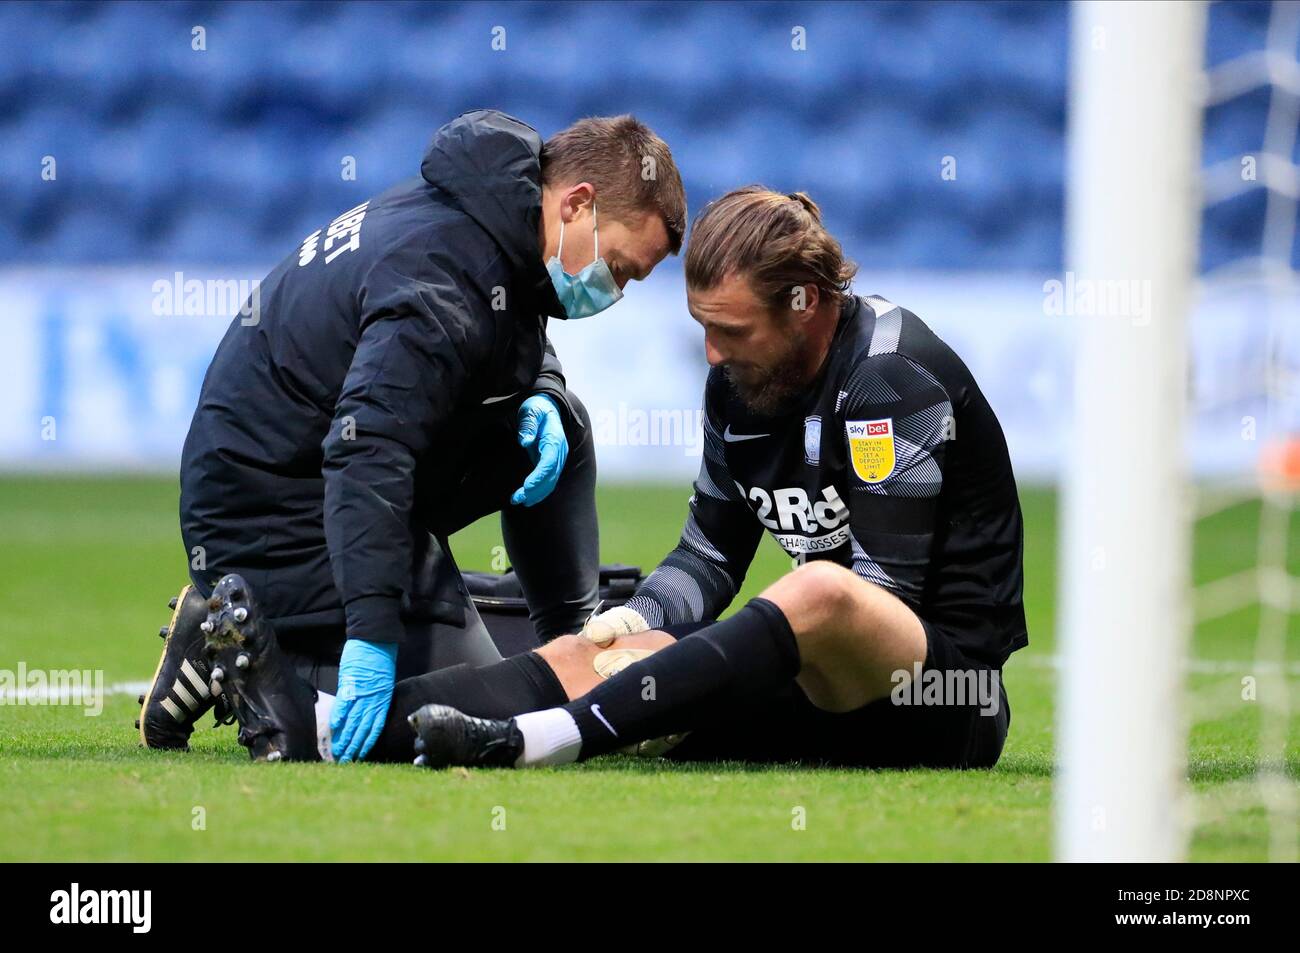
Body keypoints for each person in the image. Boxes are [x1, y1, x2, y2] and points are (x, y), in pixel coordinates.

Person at [205, 185, 1027, 771]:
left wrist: (710, 660)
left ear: (805, 302)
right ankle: (319, 723)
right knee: (600, 648)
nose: (712, 354)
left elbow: (885, 596)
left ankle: (539, 742)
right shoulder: (739, 386)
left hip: (938, 701)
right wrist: (629, 622)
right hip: (821, 688)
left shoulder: (890, 378)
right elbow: (707, 559)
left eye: (730, 330)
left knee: (818, 590)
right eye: (702, 328)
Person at [137, 109, 686, 764]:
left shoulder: (492, 215)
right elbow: (367, 447)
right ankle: (270, 650)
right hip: (271, 512)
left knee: (561, 423)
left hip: (301, 472)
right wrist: (373, 630)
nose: (615, 291)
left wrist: (540, 383)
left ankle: (570, 638)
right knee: (490, 700)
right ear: (577, 203)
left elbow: (511, 325)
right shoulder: (442, 278)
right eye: (621, 269)